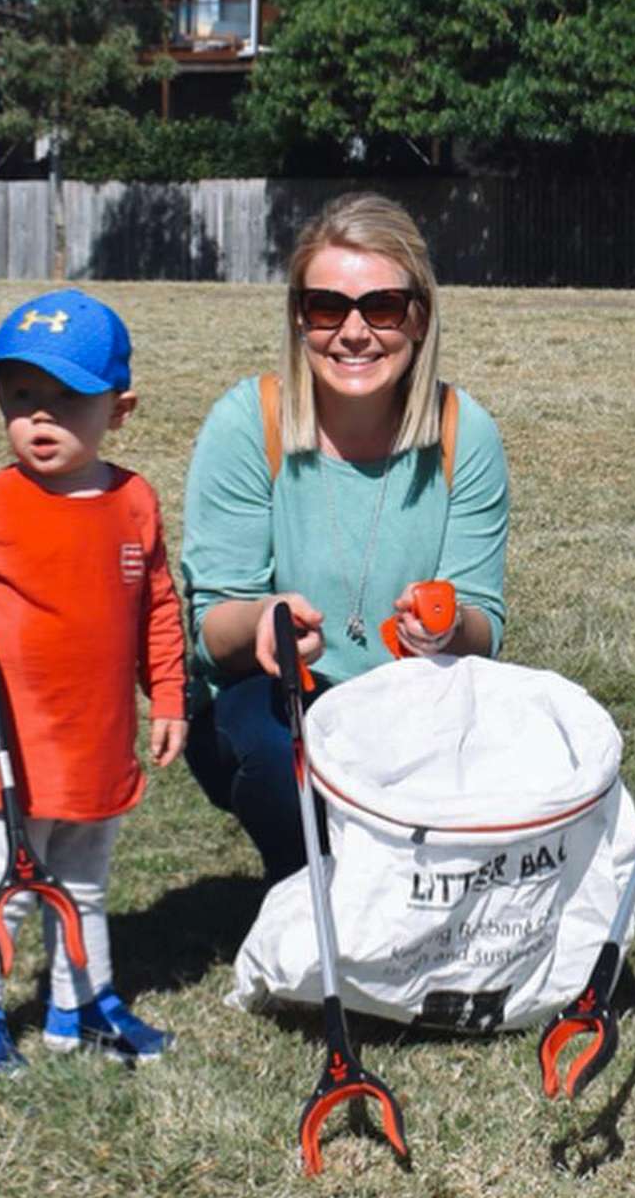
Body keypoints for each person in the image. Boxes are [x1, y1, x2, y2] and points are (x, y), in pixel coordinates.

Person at [181, 192, 509, 880]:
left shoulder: (462, 431)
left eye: (382, 307)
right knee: (278, 756)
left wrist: (448, 628)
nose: (353, 332)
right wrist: (266, 625)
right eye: (327, 307)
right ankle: (312, 892)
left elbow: (486, 623)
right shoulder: (249, 423)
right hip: (276, 701)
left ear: (419, 316)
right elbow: (214, 625)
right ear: (300, 317)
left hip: (414, 697)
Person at [0, 288, 187, 1076]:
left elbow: (159, 610)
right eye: (22, 397)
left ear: (120, 409)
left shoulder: (135, 504)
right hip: (3, 751)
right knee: (6, 888)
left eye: (66, 400)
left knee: (85, 886)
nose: (39, 417)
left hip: (95, 748)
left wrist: (169, 696)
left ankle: (80, 1008)